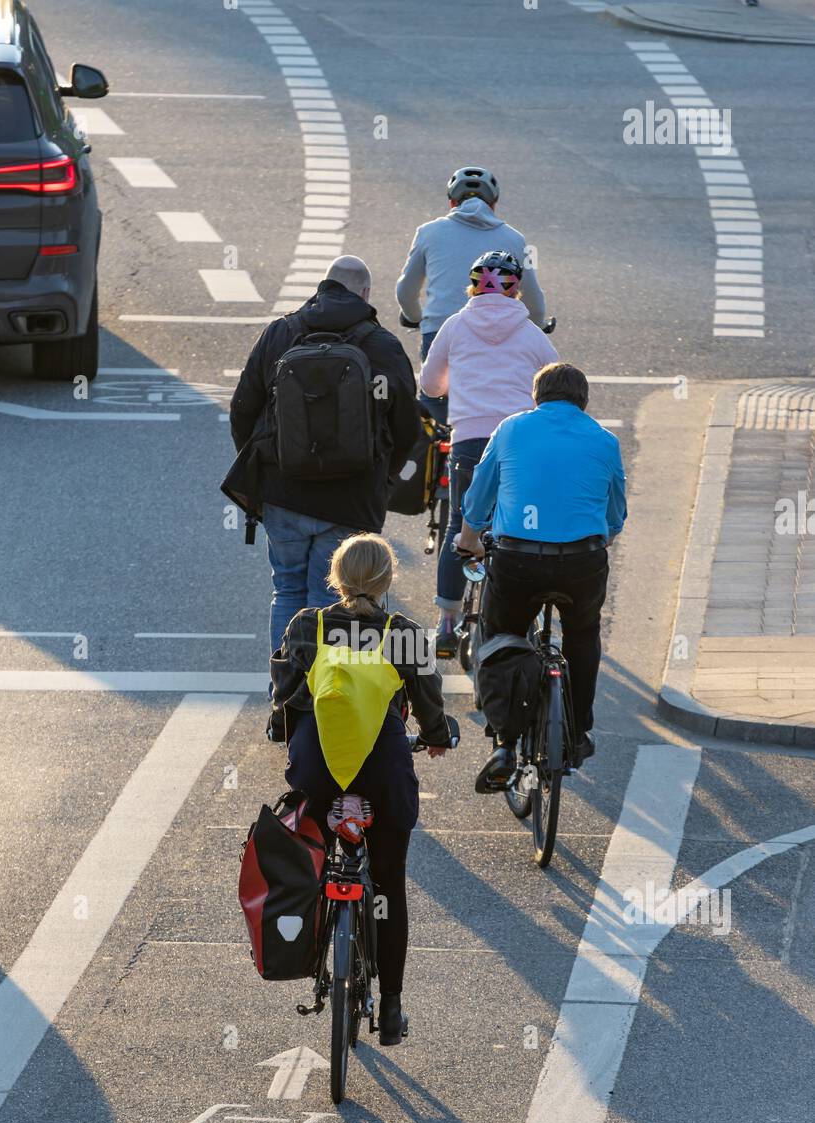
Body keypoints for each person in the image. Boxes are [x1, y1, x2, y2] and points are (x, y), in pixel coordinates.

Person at [270, 533, 454, 1045]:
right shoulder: (405, 634)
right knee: (389, 886)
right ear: (388, 580)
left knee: (310, 866)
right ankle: (391, 1008)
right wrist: (437, 738)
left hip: (318, 771)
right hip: (384, 772)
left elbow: (282, 696)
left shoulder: (309, 625)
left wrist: (280, 726)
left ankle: (307, 953)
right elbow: (429, 702)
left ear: (337, 577)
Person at [226, 256, 421, 654]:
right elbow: (407, 429)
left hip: (284, 489)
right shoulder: (382, 346)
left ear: (323, 286)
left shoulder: (281, 333)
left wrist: (264, 468)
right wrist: (383, 481)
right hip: (351, 497)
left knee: (287, 590)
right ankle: (323, 696)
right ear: (365, 294)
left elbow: (242, 408)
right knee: (329, 599)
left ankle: (283, 694)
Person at [455, 362, 627, 783]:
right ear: (583, 403)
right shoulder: (604, 440)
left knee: (500, 638)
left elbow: (480, 493)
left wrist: (468, 539)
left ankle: (503, 743)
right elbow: (616, 512)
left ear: (536, 397)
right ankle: (579, 730)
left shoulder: (511, 429)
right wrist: (596, 537)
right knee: (583, 635)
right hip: (582, 561)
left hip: (518, 559)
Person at [419, 250, 559, 655]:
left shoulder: (456, 325)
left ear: (471, 286)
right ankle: (527, 616)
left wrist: (454, 388)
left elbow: (429, 385)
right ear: (517, 292)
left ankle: (446, 621)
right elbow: (555, 382)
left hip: (469, 440)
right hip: (520, 443)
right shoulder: (532, 332)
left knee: (459, 526)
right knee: (520, 526)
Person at [396, 166, 546, 423]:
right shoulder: (514, 238)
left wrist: (417, 317)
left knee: (433, 404)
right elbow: (534, 300)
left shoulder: (428, 232)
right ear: (493, 204)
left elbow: (405, 291)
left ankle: (435, 456)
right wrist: (539, 324)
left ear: (452, 202)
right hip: (502, 332)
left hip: (439, 328)